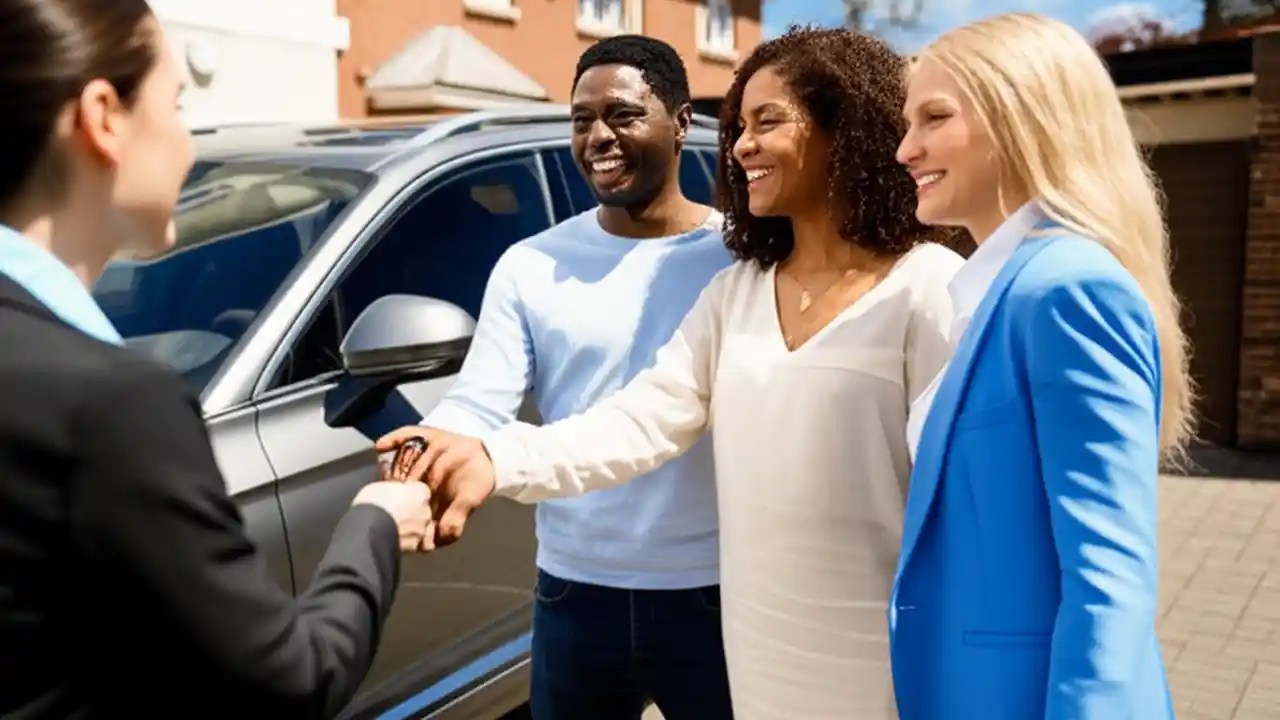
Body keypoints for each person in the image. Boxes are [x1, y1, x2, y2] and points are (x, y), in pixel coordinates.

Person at [381, 27, 964, 719]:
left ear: (845, 130)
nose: (740, 144)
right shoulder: (737, 292)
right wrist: (485, 457)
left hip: (874, 647)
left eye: (766, 122)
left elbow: (970, 504)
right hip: (752, 641)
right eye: (739, 125)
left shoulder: (930, 288)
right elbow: (639, 420)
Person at [0, 1, 435, 717]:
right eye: (174, 104)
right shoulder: (112, 404)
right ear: (104, 116)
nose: (186, 143)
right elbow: (294, 681)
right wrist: (377, 520)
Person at [378, 35, 736, 720]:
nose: (598, 136)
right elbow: (479, 402)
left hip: (712, 589)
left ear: (681, 122)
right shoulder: (530, 265)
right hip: (575, 589)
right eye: (581, 119)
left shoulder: (737, 260)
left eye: (623, 115)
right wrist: (430, 456)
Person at [889, 12, 1193, 719]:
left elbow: (1109, 579)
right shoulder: (1004, 287)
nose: (906, 149)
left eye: (935, 117)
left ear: (1024, 117)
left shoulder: (1066, 289)